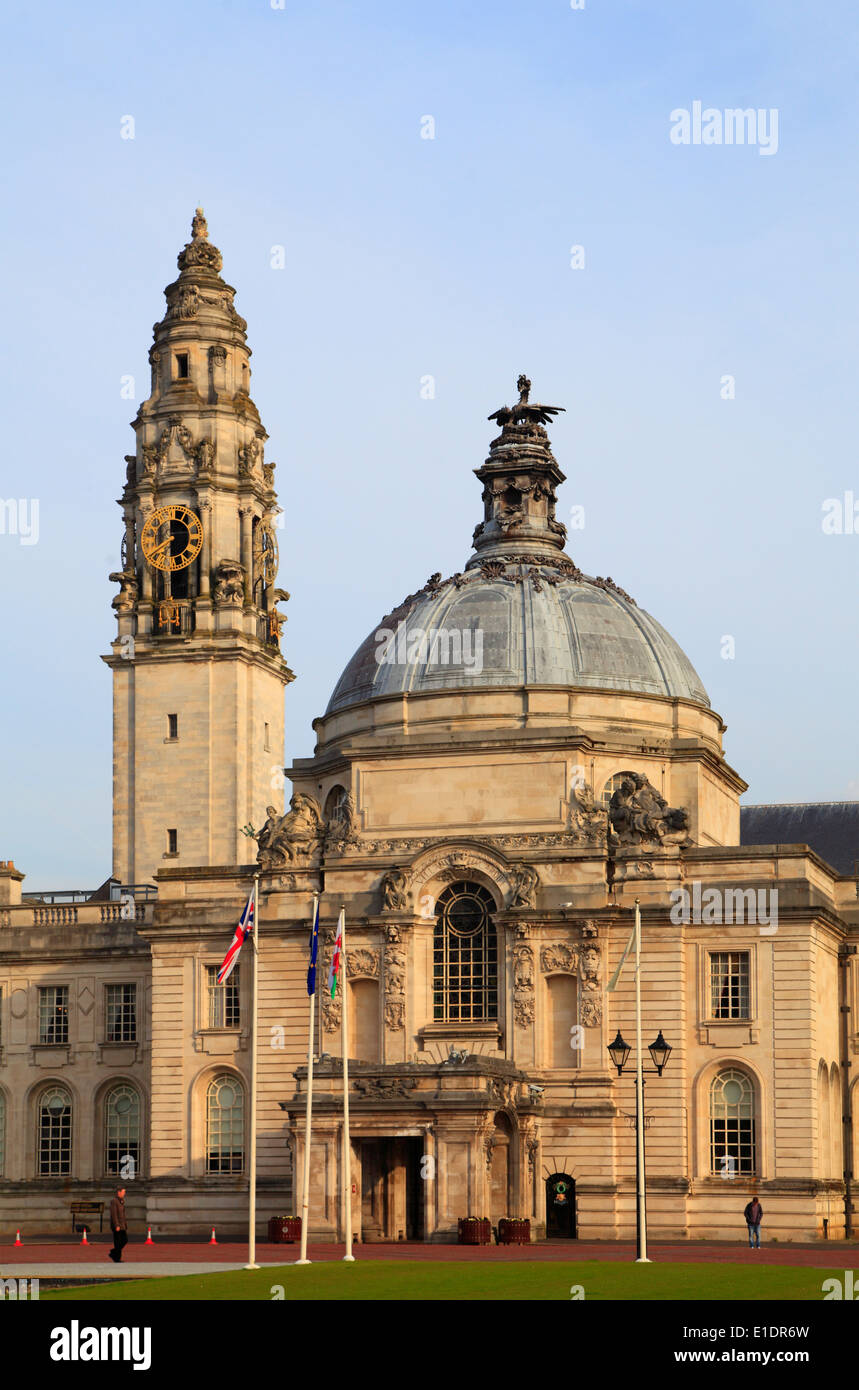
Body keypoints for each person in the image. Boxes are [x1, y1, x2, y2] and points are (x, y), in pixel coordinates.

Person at [108, 1186, 128, 1263]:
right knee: (118, 1242)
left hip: (122, 1225)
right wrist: (116, 1225)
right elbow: (114, 1214)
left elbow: (123, 1214)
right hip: (117, 1226)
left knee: (125, 1240)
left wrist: (125, 1224)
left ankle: (113, 1253)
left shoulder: (122, 1201)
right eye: (123, 1192)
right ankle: (117, 1258)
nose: (124, 1194)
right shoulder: (114, 1201)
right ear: (118, 1192)